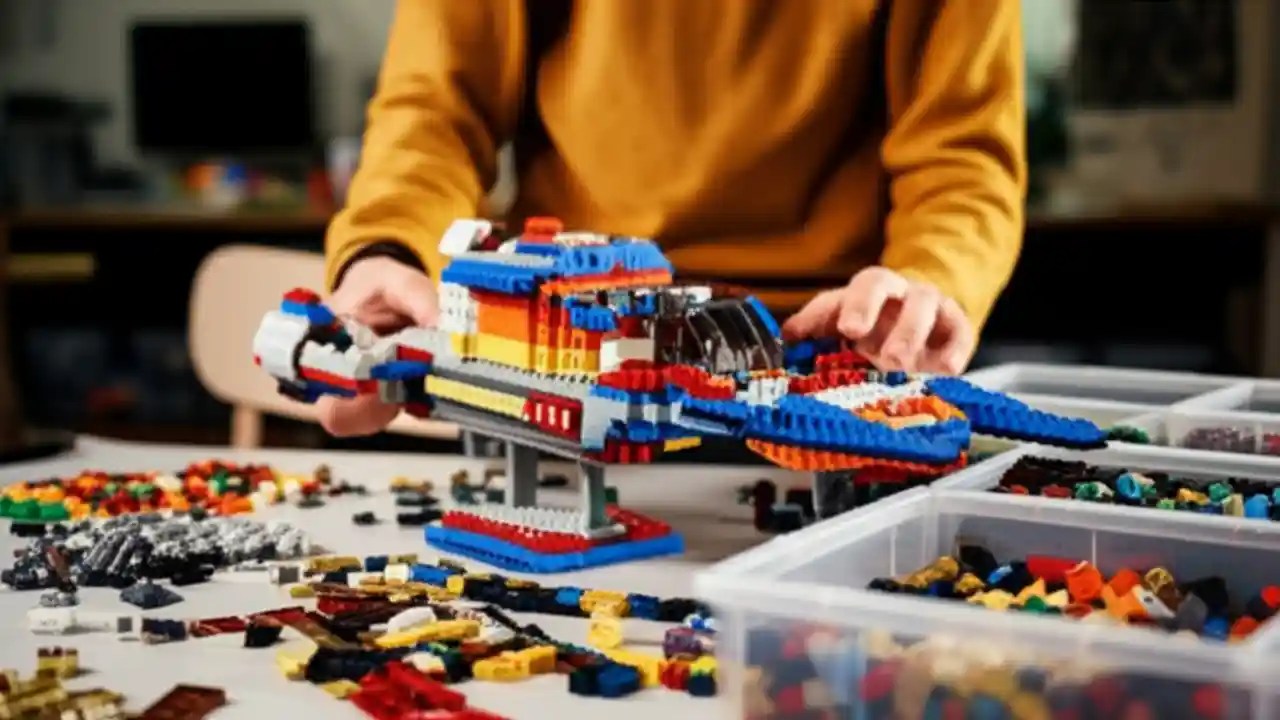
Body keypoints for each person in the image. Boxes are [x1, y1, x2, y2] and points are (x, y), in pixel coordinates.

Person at [319, 1, 1026, 437]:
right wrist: (387, 247)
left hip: (836, 349)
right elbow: (436, 110)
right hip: (571, 351)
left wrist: (930, 283)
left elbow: (960, 154)